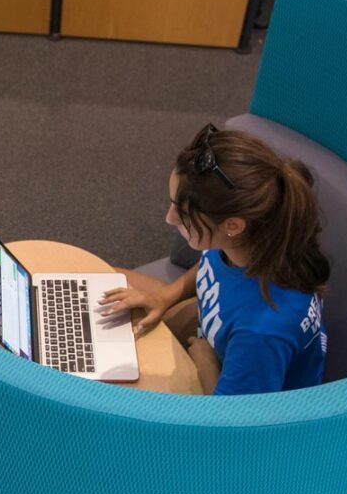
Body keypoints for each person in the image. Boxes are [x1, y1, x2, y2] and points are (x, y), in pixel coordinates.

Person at [99, 123, 329, 395]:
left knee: (109, 390)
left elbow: (232, 424)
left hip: (226, 388)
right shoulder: (246, 244)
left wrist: (205, 363)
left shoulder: (261, 332)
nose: (169, 219)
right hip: (213, 335)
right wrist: (166, 296)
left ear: (232, 225)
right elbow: (211, 265)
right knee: (100, 279)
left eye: (182, 213)